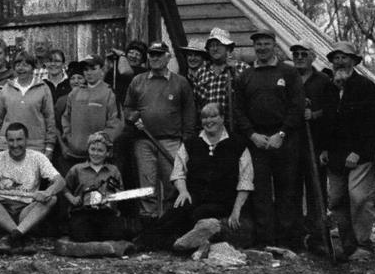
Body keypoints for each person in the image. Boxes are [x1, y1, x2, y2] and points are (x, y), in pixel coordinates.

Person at [134, 103, 255, 251]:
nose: (208, 121)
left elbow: (245, 181)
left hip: (224, 200)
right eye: (204, 117)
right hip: (194, 195)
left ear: (222, 118)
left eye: (213, 116)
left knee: (199, 214)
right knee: (176, 211)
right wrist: (183, 191)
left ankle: (178, 243)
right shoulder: (191, 143)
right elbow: (178, 172)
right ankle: (144, 242)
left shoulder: (238, 143)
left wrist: (236, 210)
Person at [234, 29, 305, 250]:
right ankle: (265, 241)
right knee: (260, 191)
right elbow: (238, 111)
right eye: (258, 44)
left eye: (266, 43)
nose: (262, 48)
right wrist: (252, 135)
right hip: (257, 140)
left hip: (284, 139)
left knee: (287, 190)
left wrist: (282, 134)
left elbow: (297, 106)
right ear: (253, 47)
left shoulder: (288, 72)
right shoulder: (245, 76)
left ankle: (288, 241)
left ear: (274, 45)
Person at [319, 41, 375, 260]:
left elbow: (372, 124)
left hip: (359, 155)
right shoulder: (330, 88)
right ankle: (348, 245)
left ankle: (364, 244)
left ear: (353, 61)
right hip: (335, 155)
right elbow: (326, 122)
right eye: (336, 58)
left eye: (344, 57)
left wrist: (358, 151)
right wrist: (324, 148)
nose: (339, 62)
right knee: (337, 200)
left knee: (358, 198)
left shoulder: (365, 86)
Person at [124, 41, 197, 222]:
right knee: (147, 185)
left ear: (167, 57)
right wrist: (134, 118)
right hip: (144, 141)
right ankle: (149, 223)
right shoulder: (138, 81)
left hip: (171, 141)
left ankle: (169, 223)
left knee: (173, 184)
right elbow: (127, 107)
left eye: (159, 54)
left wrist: (186, 140)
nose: (155, 58)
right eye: (152, 54)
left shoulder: (180, 82)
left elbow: (189, 113)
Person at [0, 123, 65, 255]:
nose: (15, 144)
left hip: (26, 212)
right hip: (3, 212)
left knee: (52, 198)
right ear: (6, 141)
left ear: (26, 139)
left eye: (19, 139)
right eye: (11, 140)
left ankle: (12, 236)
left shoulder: (37, 157)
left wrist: (47, 192)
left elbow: (60, 181)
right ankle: (20, 234)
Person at [290, 40, 338, 250]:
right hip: (292, 144)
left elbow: (333, 111)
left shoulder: (323, 81)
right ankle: (295, 236)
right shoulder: (289, 78)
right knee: (292, 190)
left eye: (304, 54)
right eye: (296, 54)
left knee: (315, 190)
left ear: (313, 57)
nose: (299, 58)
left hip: (315, 145)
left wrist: (315, 114)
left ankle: (318, 236)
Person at [0, 50, 57, 161]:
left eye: (25, 65)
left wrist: (49, 147)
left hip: (35, 147)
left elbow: (50, 120)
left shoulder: (43, 88)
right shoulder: (7, 88)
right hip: (7, 146)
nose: (21, 68)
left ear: (33, 68)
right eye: (18, 65)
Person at [59, 54, 122, 174]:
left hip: (100, 157)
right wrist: (69, 137)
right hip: (75, 155)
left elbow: (117, 122)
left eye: (93, 69)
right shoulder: (74, 93)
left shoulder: (109, 93)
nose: (89, 73)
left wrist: (104, 138)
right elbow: (65, 118)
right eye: (86, 69)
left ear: (102, 70)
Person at [63, 132, 125, 242]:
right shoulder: (77, 169)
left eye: (100, 150)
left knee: (115, 234)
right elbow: (64, 187)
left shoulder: (113, 170)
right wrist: (72, 199)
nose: (95, 154)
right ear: (88, 150)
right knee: (81, 235)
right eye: (93, 149)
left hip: (106, 212)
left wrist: (110, 198)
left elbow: (120, 192)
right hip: (82, 211)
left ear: (107, 153)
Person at [193, 27, 250, 137]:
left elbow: (248, 98)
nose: (215, 49)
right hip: (209, 129)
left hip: (235, 130)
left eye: (219, 45)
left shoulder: (242, 68)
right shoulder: (201, 72)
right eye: (212, 46)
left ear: (228, 48)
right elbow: (197, 104)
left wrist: (234, 73)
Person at [104, 39, 148, 107]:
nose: (133, 56)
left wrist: (121, 55)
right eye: (131, 52)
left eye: (138, 54)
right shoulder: (115, 69)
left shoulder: (144, 72)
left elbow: (124, 71)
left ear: (142, 59)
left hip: (132, 109)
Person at [179, 39, 211, 105]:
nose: (192, 58)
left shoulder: (210, 74)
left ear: (203, 57)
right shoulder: (182, 75)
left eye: (196, 55)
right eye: (190, 55)